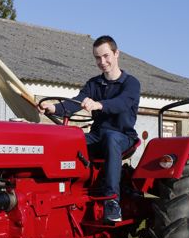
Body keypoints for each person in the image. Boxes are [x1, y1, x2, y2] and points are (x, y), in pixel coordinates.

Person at [40, 35, 140, 223]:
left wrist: (99, 105)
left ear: (116, 54)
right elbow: (76, 102)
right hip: (97, 136)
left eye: (106, 56)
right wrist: (53, 108)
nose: (102, 62)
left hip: (123, 136)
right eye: (97, 58)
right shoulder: (94, 84)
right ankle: (61, 193)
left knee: (111, 137)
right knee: (67, 141)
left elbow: (122, 103)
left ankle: (112, 201)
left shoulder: (131, 83)